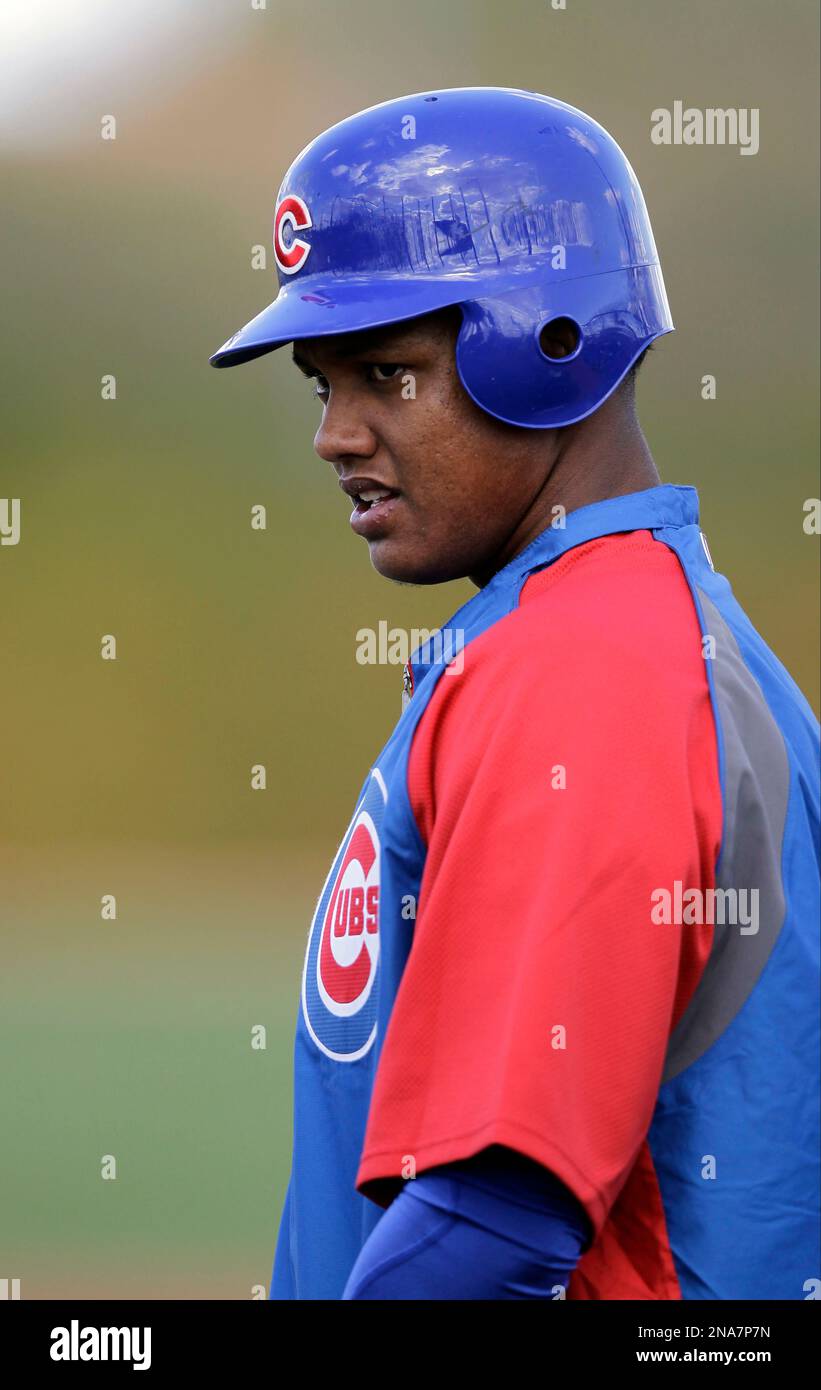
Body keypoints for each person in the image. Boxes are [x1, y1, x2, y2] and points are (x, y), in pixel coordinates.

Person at [211, 87, 820, 1300]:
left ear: (548, 337)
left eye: (386, 372)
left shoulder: (591, 667)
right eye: (320, 385)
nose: (334, 434)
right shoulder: (618, 630)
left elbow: (495, 1219)